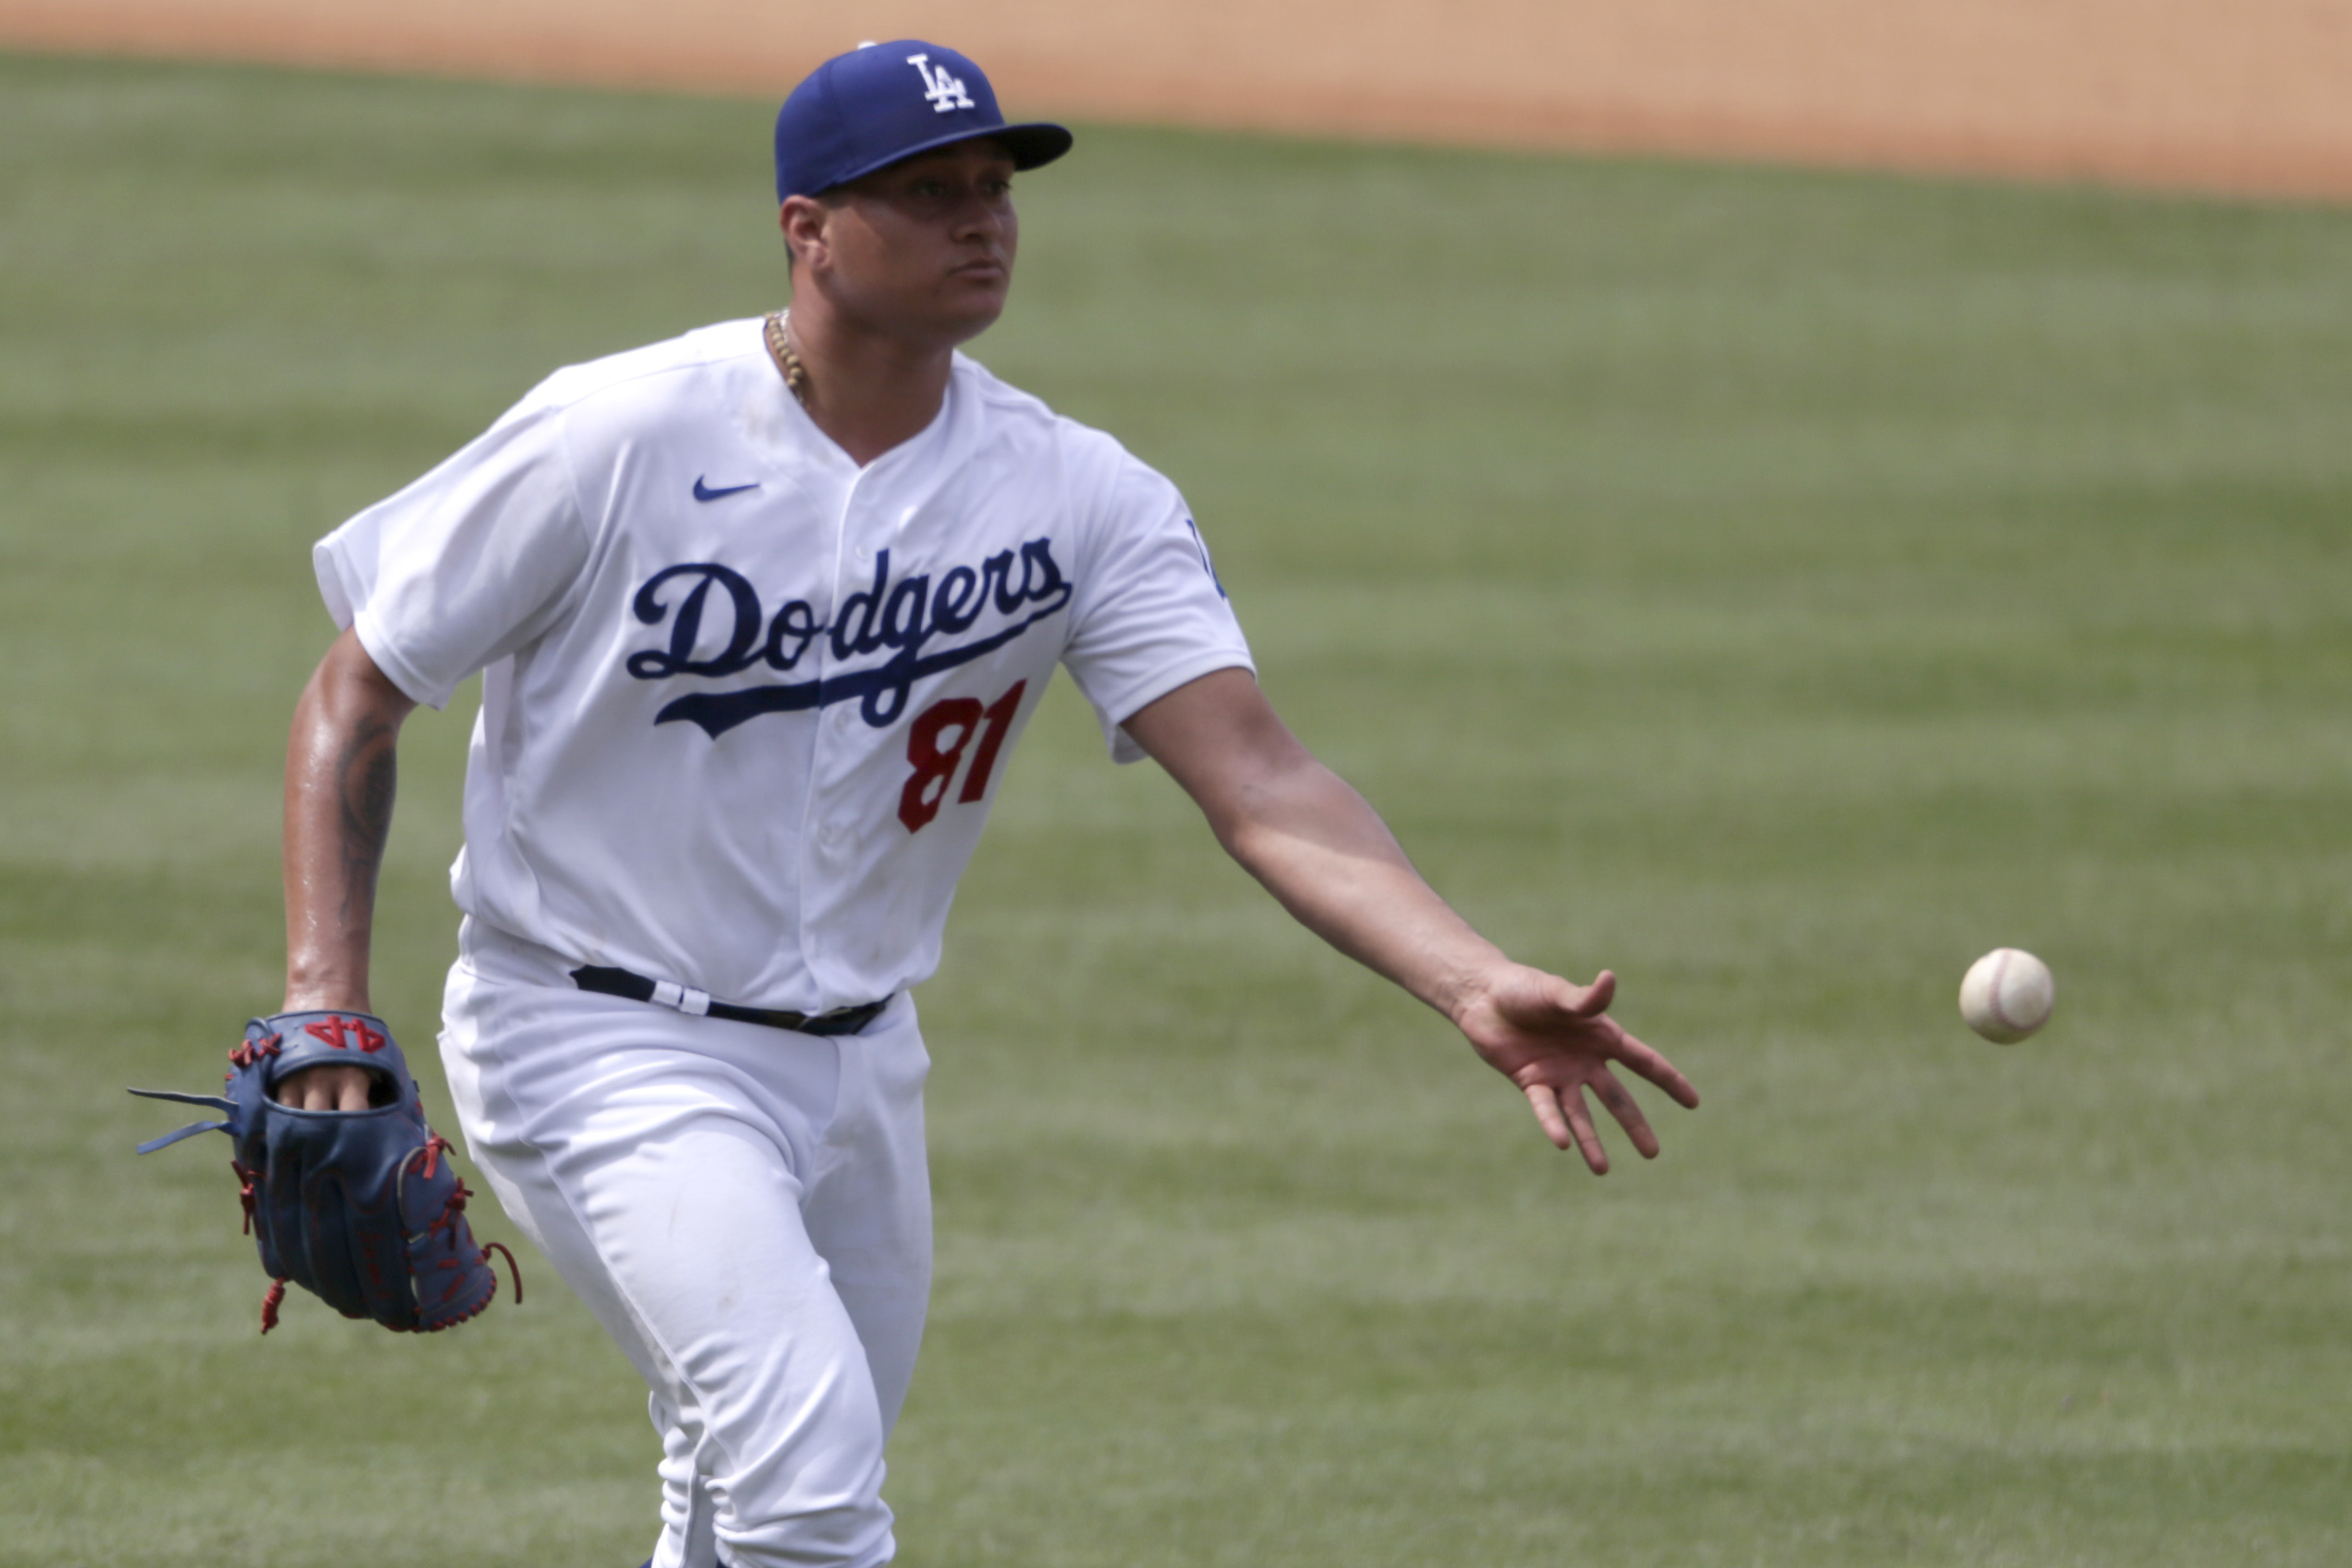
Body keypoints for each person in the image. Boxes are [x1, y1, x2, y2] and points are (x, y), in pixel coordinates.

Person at [272, 39, 1699, 1568]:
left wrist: (1468, 973)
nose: (984, 221)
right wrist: (325, 1007)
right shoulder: (615, 435)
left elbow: (1263, 774)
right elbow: (357, 690)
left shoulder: (1078, 494)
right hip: (596, 1035)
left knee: (739, 1482)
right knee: (808, 1481)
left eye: (997, 188)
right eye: (930, 191)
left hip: (863, 1063)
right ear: (805, 227)